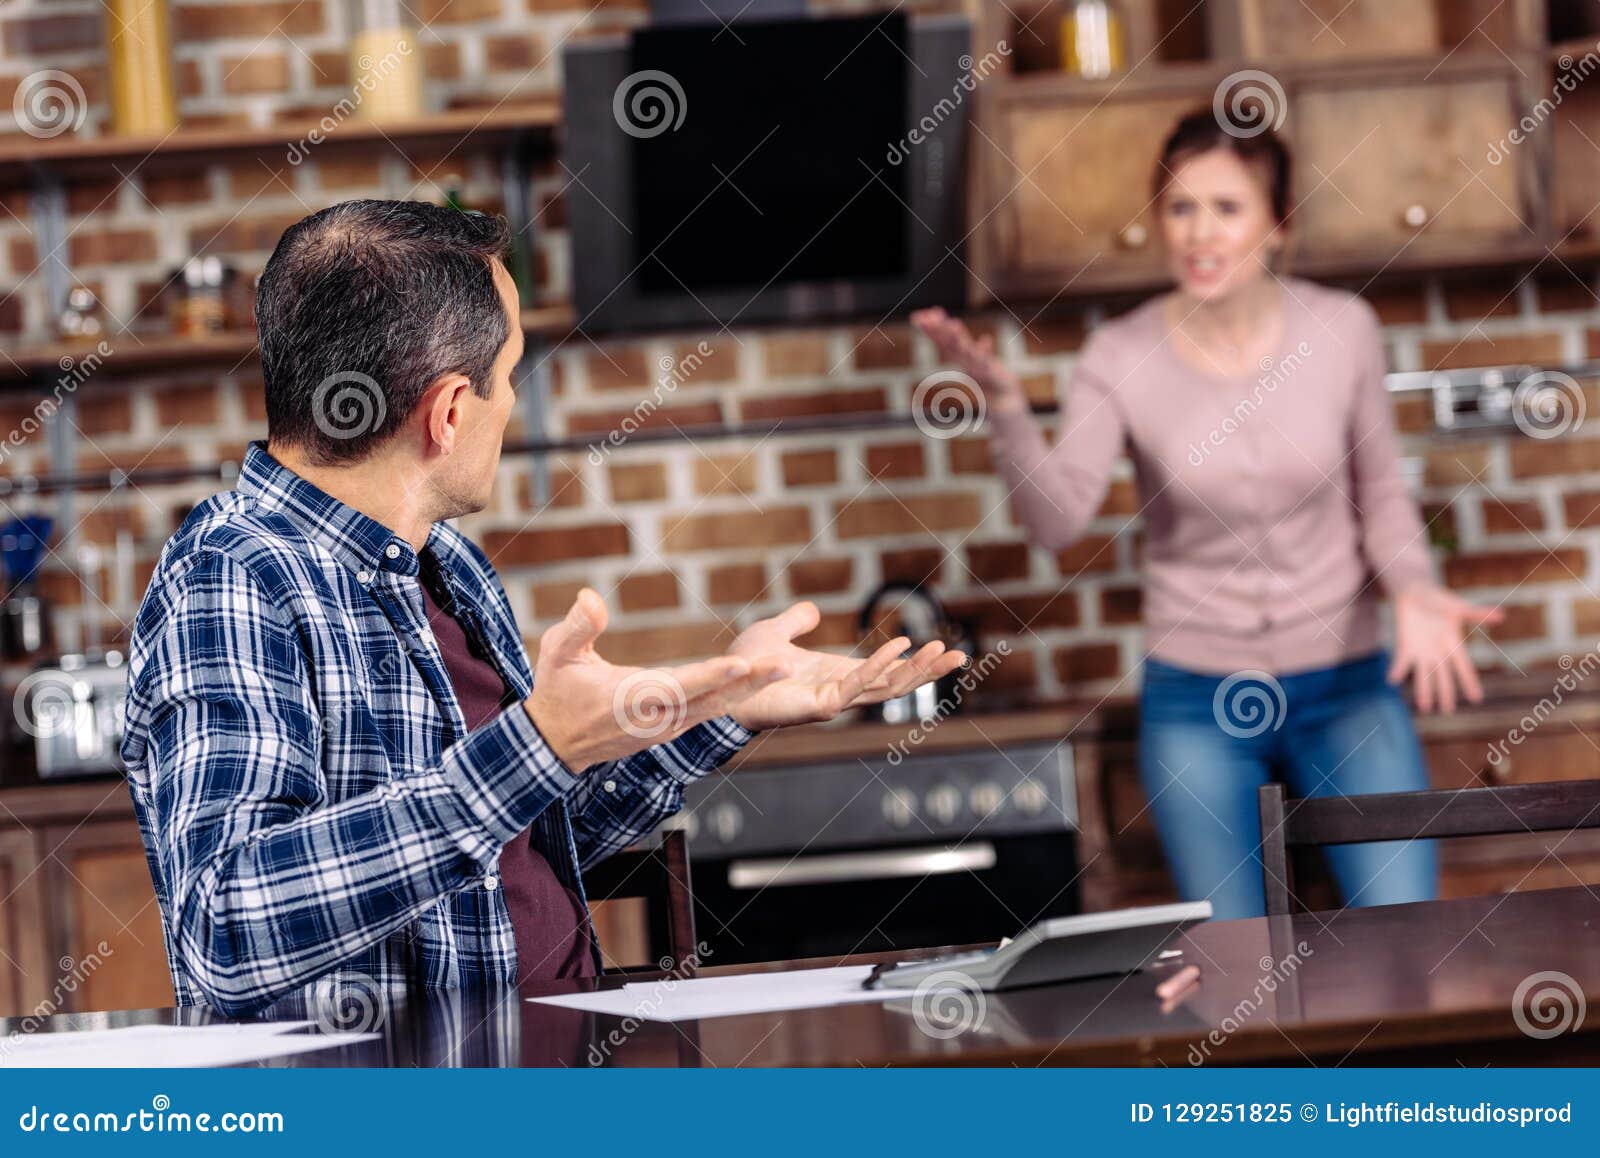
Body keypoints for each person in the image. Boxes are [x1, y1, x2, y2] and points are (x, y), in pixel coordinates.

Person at [121, 199, 965, 1017]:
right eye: (510, 375)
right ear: (449, 412)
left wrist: (719, 708)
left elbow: (523, 844)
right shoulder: (232, 576)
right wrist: (536, 746)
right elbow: (225, 930)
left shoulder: (445, 564)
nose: (514, 403)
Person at [912, 110, 1500, 919]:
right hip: (1197, 701)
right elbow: (1058, 524)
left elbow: (1382, 501)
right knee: (1234, 968)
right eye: (1181, 208)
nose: (1200, 232)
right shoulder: (1117, 355)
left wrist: (1416, 591)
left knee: (1405, 939)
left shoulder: (1341, 330)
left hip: (1348, 685)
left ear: (1278, 224)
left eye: (1228, 208)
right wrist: (1008, 408)